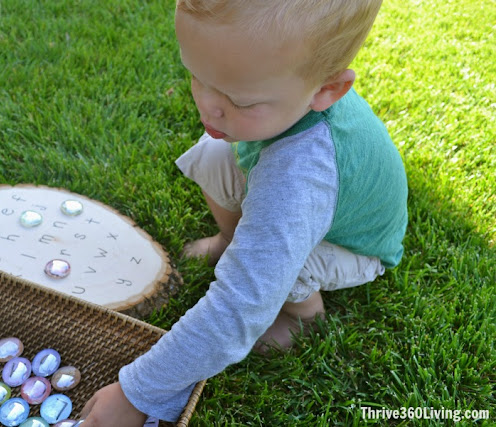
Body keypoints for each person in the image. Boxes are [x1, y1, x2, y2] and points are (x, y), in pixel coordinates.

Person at [80, 0, 408, 425]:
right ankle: (231, 240)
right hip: (305, 204)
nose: (208, 107)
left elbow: (239, 308)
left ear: (326, 92)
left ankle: (304, 316)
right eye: (197, 77)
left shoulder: (302, 175)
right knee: (215, 154)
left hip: (350, 245)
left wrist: (137, 391)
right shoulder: (285, 89)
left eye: (241, 101)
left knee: (286, 264)